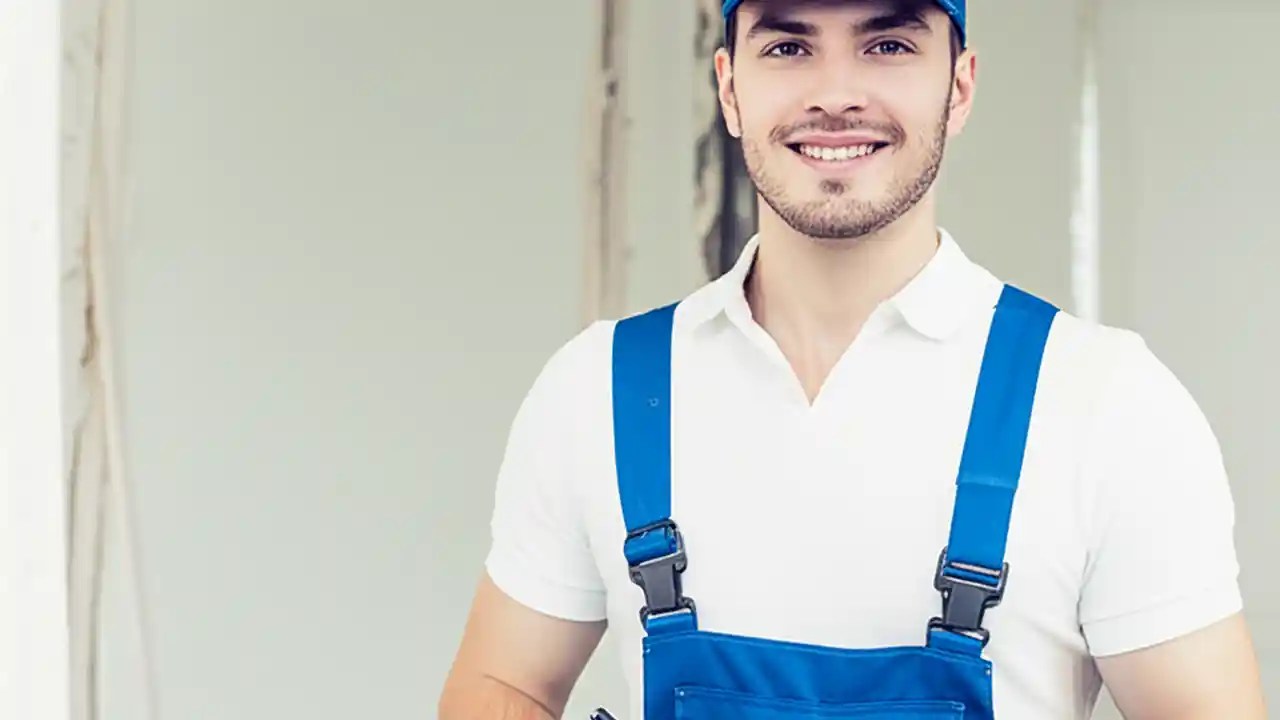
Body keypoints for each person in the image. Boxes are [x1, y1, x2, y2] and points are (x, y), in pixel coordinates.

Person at [438, 0, 1268, 718]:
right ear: (730, 87)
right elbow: (494, 681)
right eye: (789, 46)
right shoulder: (598, 390)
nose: (835, 94)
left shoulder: (1107, 403)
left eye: (889, 44)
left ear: (962, 84)